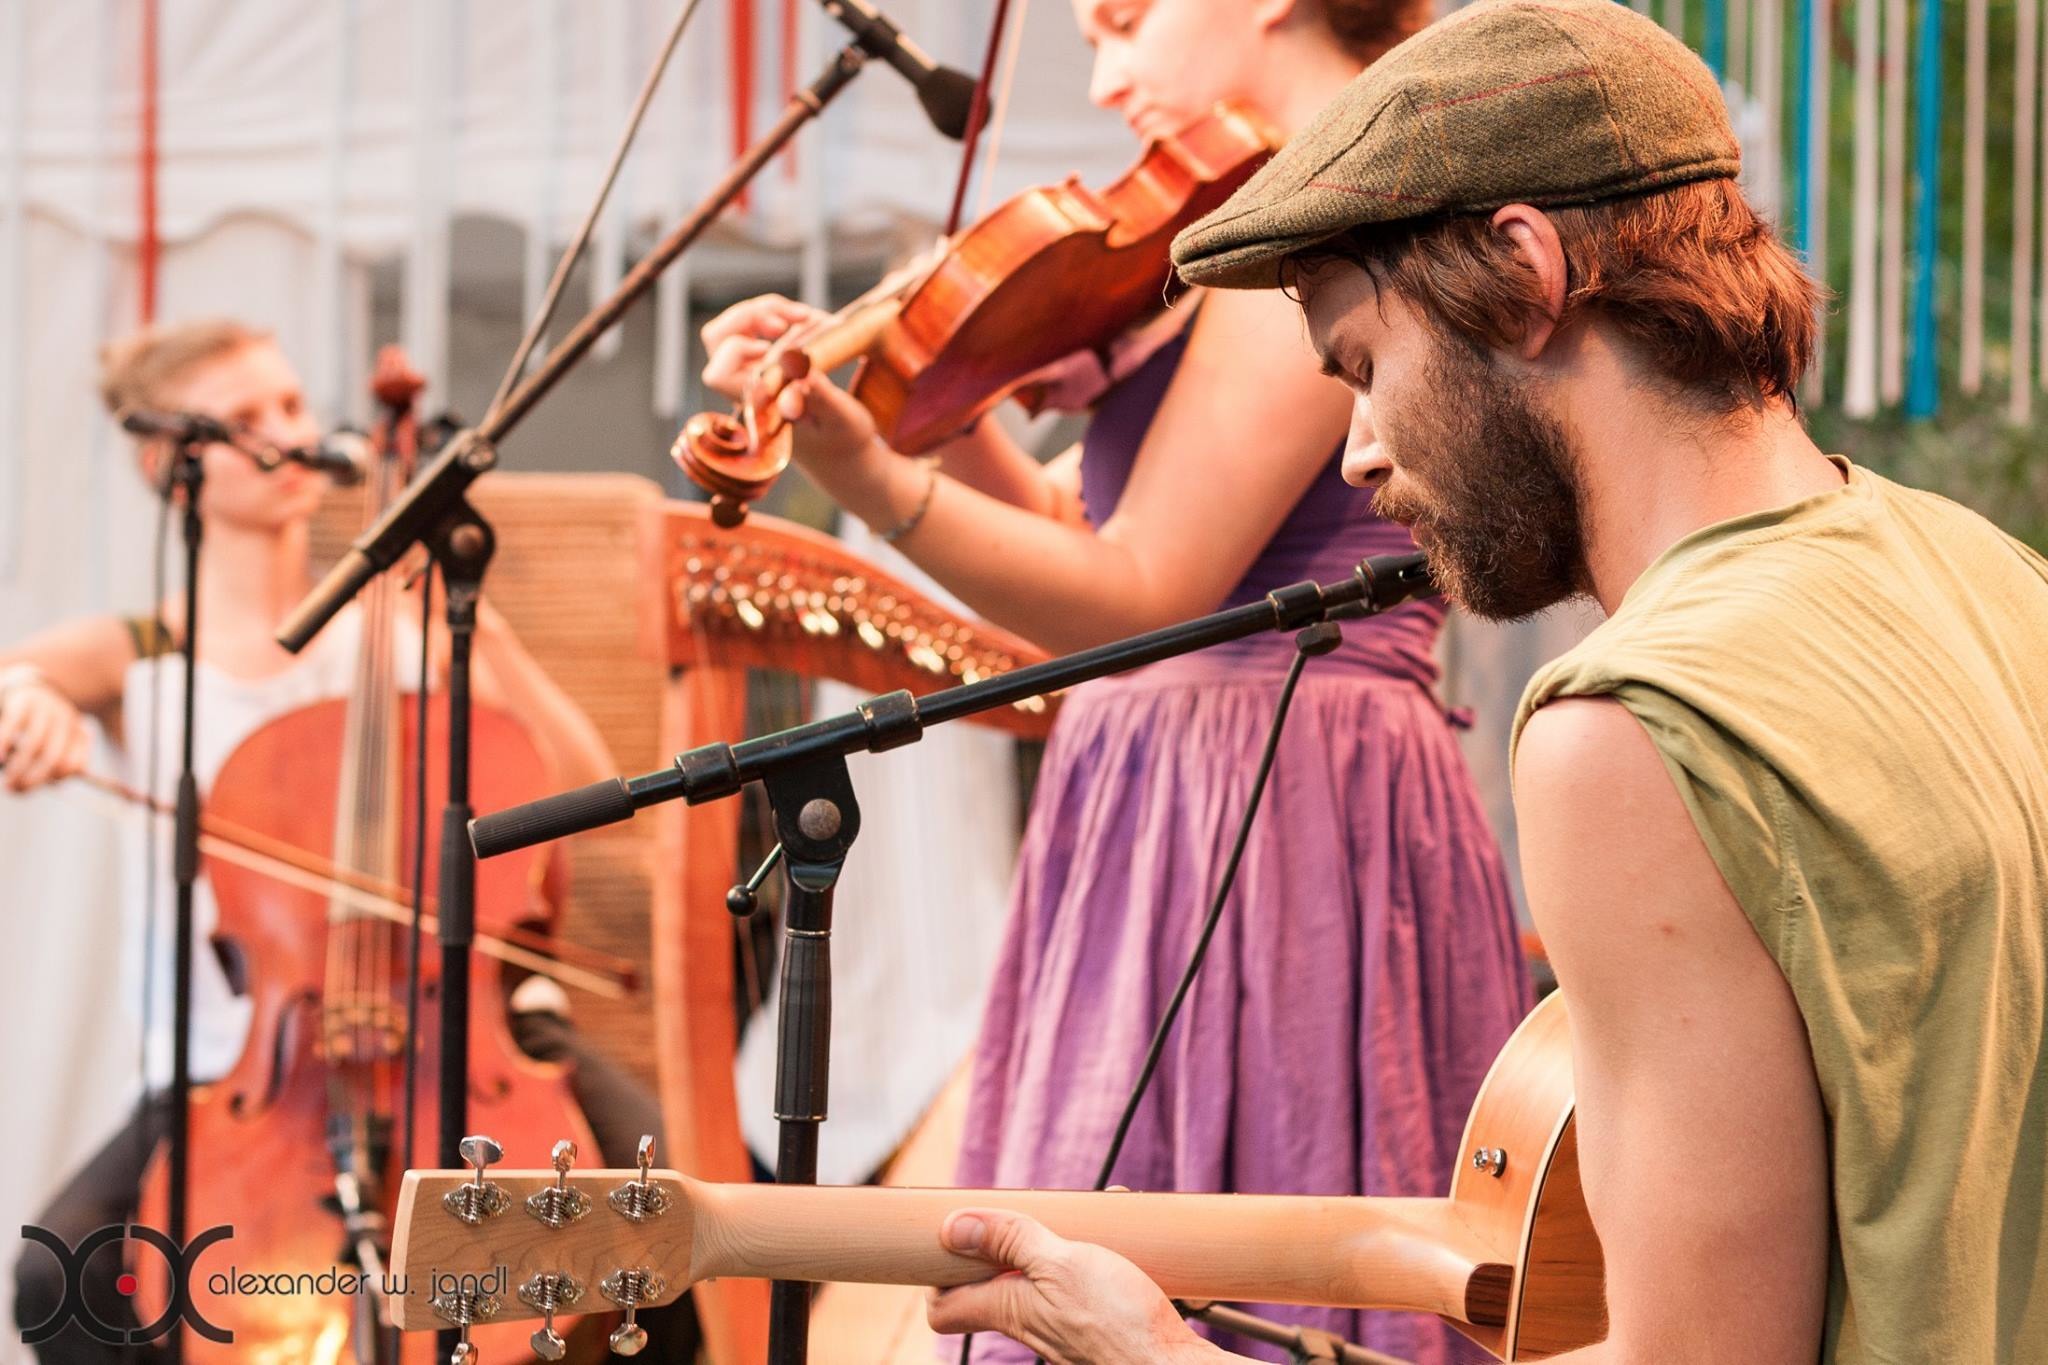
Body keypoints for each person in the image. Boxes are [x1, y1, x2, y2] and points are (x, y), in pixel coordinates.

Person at [916, 3, 2048, 1362]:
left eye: (1367, 368)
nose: (1356, 454)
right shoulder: (1992, 580)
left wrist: (1162, 1356)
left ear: (1524, 275)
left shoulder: (1638, 728)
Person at [700, 2, 1529, 1359]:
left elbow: (1149, 590)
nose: (1103, 78)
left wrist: (874, 477)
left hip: (1270, 787)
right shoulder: (1248, 224)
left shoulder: (1332, 216)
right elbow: (1092, 558)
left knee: (1245, 1220)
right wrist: (942, 425)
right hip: (1179, 775)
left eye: (1124, 22)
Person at [3, 319, 698, 1362]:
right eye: (243, 422)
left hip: (459, 1031)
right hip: (228, 1070)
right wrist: (30, 704)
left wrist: (473, 613)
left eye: (288, 404)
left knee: (693, 1220)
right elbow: (18, 679)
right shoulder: (138, 653)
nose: (286, 433)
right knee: (57, 1271)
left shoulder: (396, 637)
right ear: (170, 462)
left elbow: (587, 784)